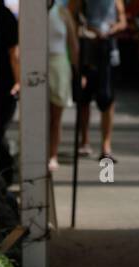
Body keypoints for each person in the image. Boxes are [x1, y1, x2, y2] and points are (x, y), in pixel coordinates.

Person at [71, 0, 127, 162]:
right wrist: (87, 29)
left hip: (108, 48)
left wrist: (114, 28)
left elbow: (122, 21)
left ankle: (106, 145)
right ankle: (85, 141)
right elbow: (72, 18)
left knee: (107, 98)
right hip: (88, 48)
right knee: (84, 98)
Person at [48, 0, 79, 170]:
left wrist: (78, 71)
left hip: (59, 64)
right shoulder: (33, 12)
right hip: (39, 64)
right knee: (42, 116)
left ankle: (53, 154)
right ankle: (42, 152)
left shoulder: (62, 12)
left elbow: (73, 44)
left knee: (55, 117)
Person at [0, 0, 20, 187]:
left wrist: (18, 81)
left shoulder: (4, 16)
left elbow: (14, 53)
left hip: (4, 83)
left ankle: (6, 172)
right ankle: (4, 171)